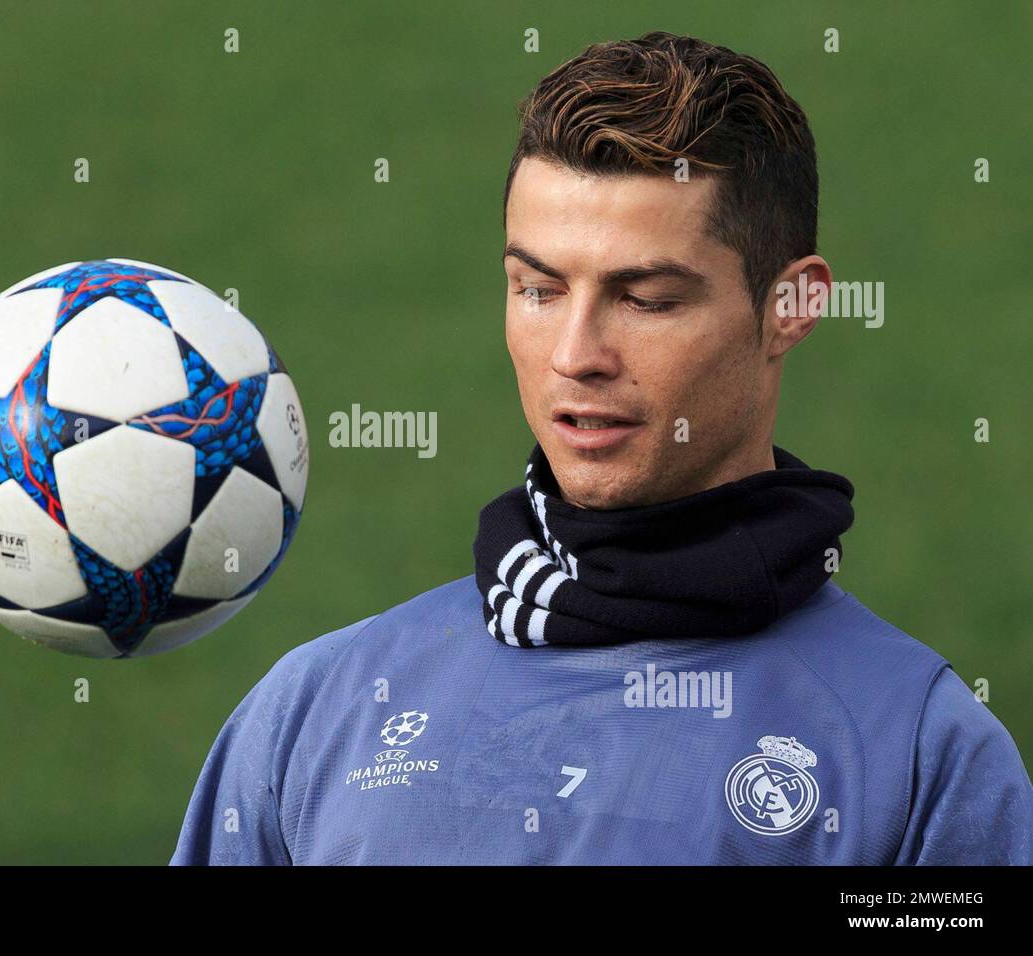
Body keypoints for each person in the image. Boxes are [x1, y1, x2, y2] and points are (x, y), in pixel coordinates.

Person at [171, 32, 1031, 865]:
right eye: (538, 290)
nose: (576, 354)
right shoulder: (319, 706)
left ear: (791, 306)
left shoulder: (917, 754)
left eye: (648, 298)